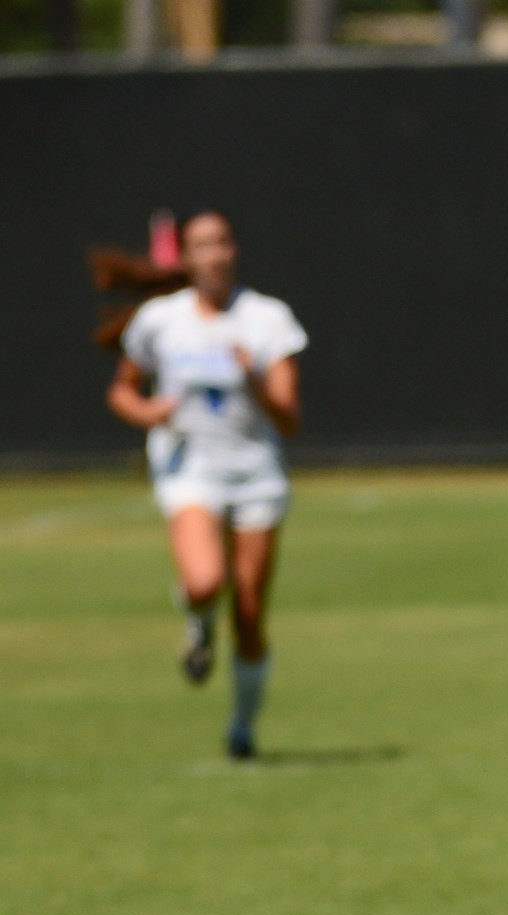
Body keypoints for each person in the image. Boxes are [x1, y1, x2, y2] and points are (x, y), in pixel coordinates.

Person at [106, 210, 306, 759]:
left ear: (235, 250)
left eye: (221, 243)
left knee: (248, 613)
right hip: (189, 468)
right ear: (185, 258)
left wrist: (254, 382)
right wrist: (148, 412)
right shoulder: (158, 320)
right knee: (203, 582)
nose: (213, 255)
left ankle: (242, 727)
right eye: (201, 245)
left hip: (255, 472)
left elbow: (289, 418)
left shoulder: (267, 319)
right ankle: (197, 621)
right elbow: (121, 391)